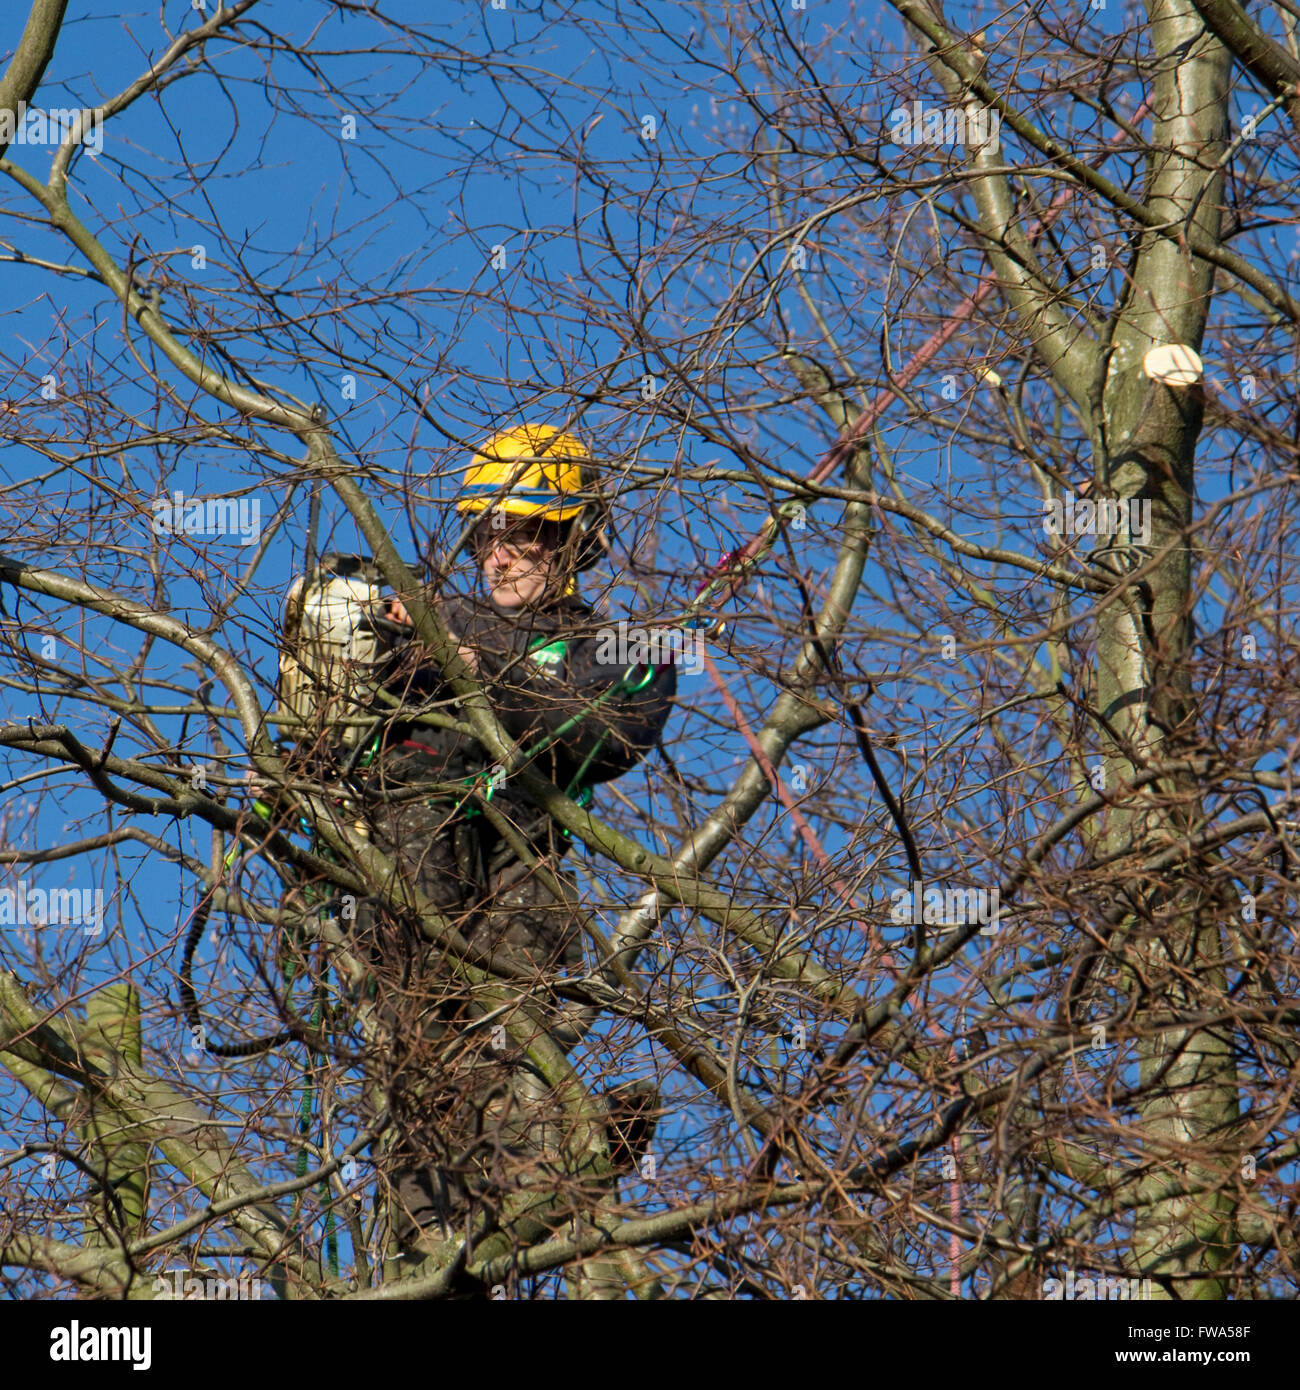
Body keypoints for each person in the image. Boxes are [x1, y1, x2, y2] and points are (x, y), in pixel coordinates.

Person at [354, 423, 675, 1262]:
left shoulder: (620, 647)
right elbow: (332, 732)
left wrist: (479, 665)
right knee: (420, 1057)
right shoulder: (419, 619)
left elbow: (611, 737)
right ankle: (429, 1249)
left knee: (508, 1038)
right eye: (487, 534)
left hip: (521, 862)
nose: (499, 555)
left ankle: (551, 1177)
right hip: (409, 853)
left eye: (524, 532)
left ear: (577, 536)